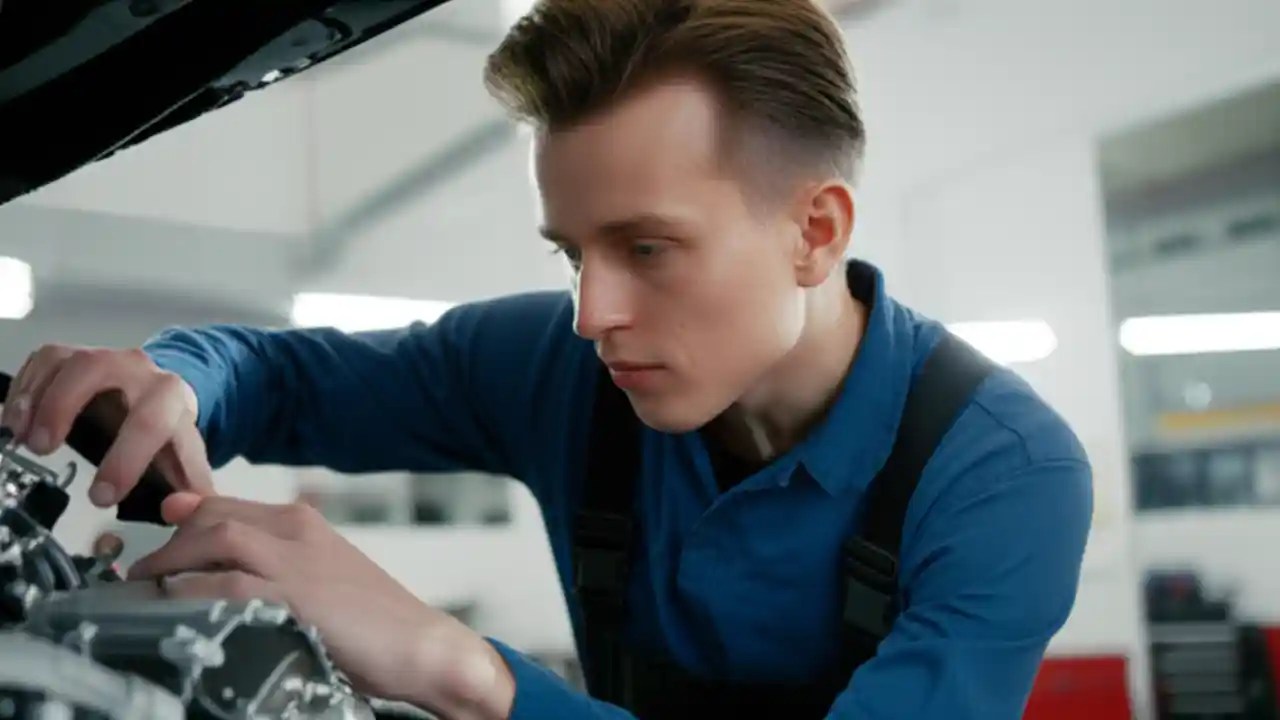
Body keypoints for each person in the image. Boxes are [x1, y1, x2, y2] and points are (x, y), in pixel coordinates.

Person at [0, 1, 1094, 718]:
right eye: (571, 252)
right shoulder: (552, 367)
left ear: (813, 233)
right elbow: (278, 375)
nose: (590, 313)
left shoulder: (1003, 475)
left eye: (646, 248)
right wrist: (175, 378)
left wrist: (461, 671)